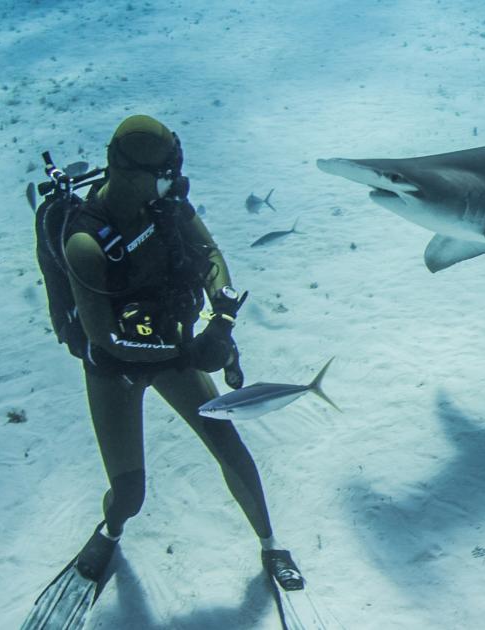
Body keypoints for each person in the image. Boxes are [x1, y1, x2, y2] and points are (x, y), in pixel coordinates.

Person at [61, 114, 303, 591]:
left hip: (173, 349)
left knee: (229, 448)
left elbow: (210, 254)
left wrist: (223, 317)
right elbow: (106, 339)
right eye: (166, 172)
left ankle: (272, 544)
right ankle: (111, 530)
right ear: (130, 173)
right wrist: (187, 351)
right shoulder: (85, 243)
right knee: (130, 494)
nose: (175, 180)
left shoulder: (165, 204)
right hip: (115, 371)